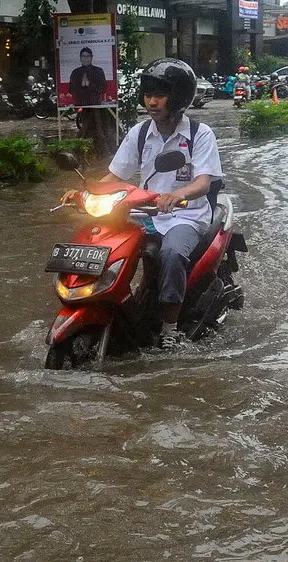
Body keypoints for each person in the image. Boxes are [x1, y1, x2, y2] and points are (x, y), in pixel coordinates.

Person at [66, 58, 222, 350]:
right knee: (105, 243)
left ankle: (169, 328)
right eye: (148, 94)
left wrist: (178, 195)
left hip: (185, 215)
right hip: (144, 212)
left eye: (159, 95)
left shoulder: (199, 134)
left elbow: (203, 182)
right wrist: (84, 192)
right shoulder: (139, 133)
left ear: (177, 97)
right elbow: (115, 176)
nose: (152, 101)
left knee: (173, 253)